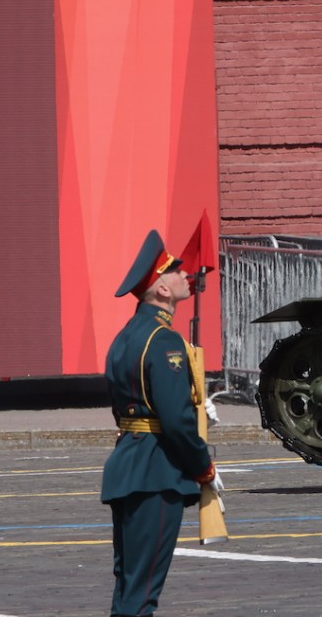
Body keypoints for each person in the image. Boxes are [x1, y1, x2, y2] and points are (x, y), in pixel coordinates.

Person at [103, 230, 217, 617]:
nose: (185, 275)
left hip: (128, 466)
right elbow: (176, 420)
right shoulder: (164, 340)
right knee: (142, 593)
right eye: (173, 271)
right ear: (161, 292)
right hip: (156, 471)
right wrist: (203, 465)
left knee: (129, 585)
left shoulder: (124, 338)